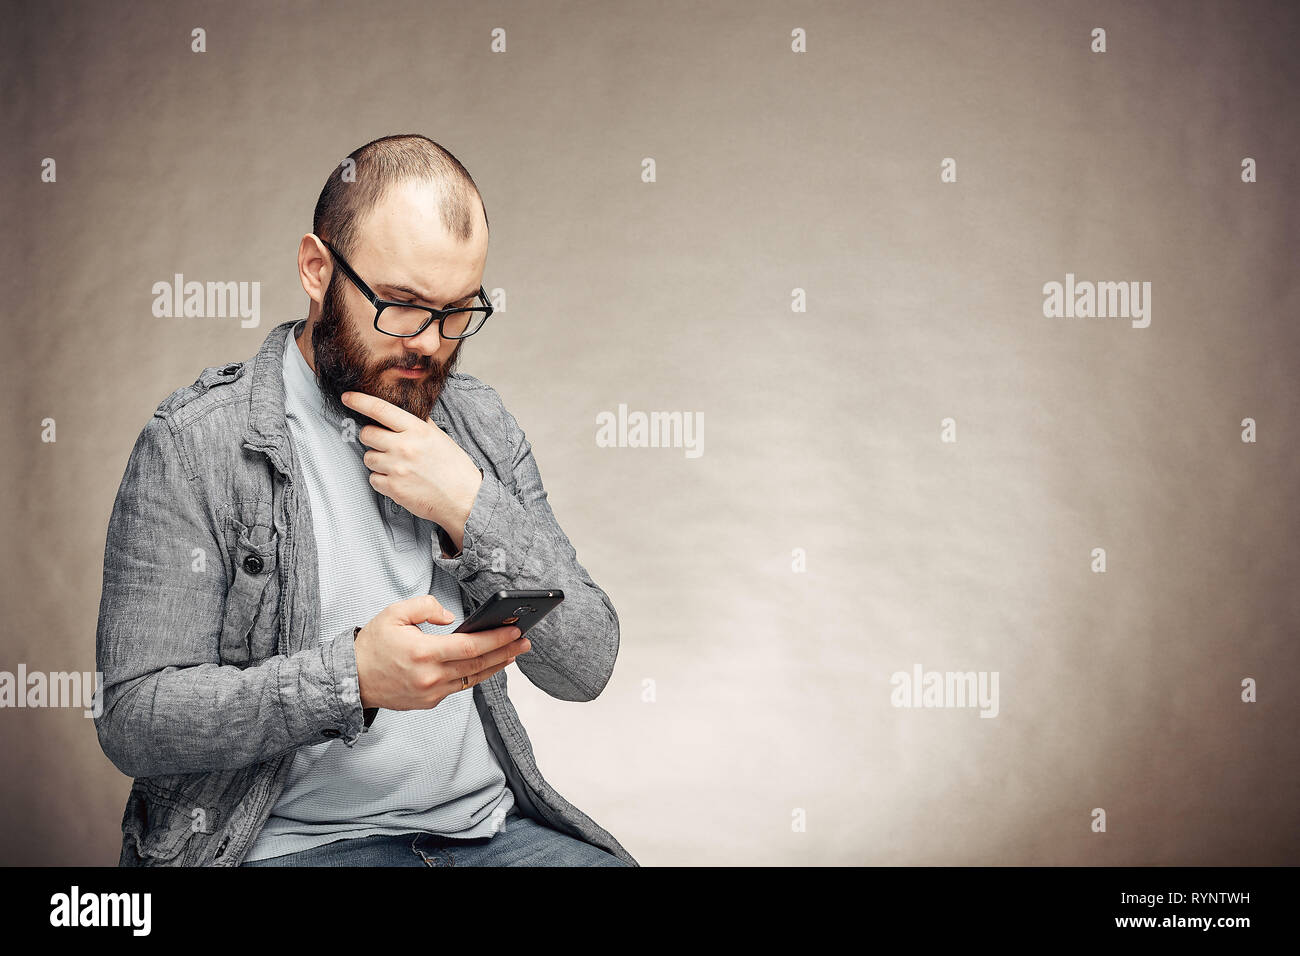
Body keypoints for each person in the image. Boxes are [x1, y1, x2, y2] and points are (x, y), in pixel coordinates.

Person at [94, 134, 636, 867]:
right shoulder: (195, 446)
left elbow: (586, 664)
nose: (431, 345)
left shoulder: (478, 426)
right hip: (286, 848)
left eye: (457, 313)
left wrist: (469, 507)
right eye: (404, 306)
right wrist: (348, 680)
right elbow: (136, 721)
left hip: (484, 834)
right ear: (317, 270)